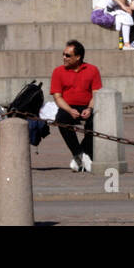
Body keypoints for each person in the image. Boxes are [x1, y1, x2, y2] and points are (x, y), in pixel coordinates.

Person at [50, 39, 102, 173]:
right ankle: (80, 154)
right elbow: (57, 97)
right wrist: (69, 109)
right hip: (68, 106)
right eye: (63, 54)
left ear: (78, 57)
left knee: (96, 121)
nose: (64, 58)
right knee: (61, 120)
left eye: (68, 55)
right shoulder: (58, 71)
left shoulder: (92, 70)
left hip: (87, 105)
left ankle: (83, 154)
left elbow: (96, 94)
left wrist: (89, 108)